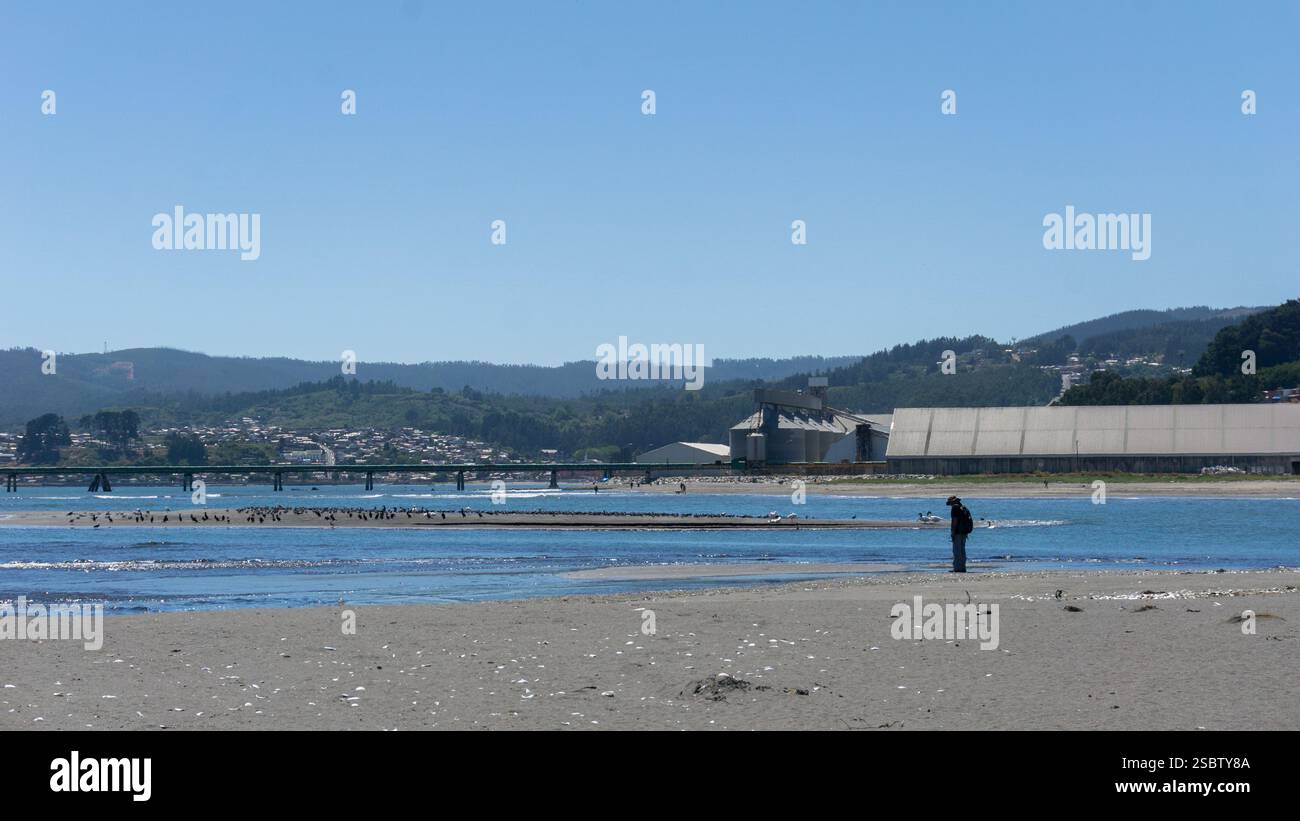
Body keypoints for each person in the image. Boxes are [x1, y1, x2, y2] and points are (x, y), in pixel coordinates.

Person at [946, 495, 973, 573]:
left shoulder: (955, 508)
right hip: (964, 531)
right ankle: (962, 567)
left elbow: (955, 521)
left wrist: (953, 532)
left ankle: (957, 568)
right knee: (962, 550)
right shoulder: (963, 507)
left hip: (958, 532)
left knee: (957, 550)